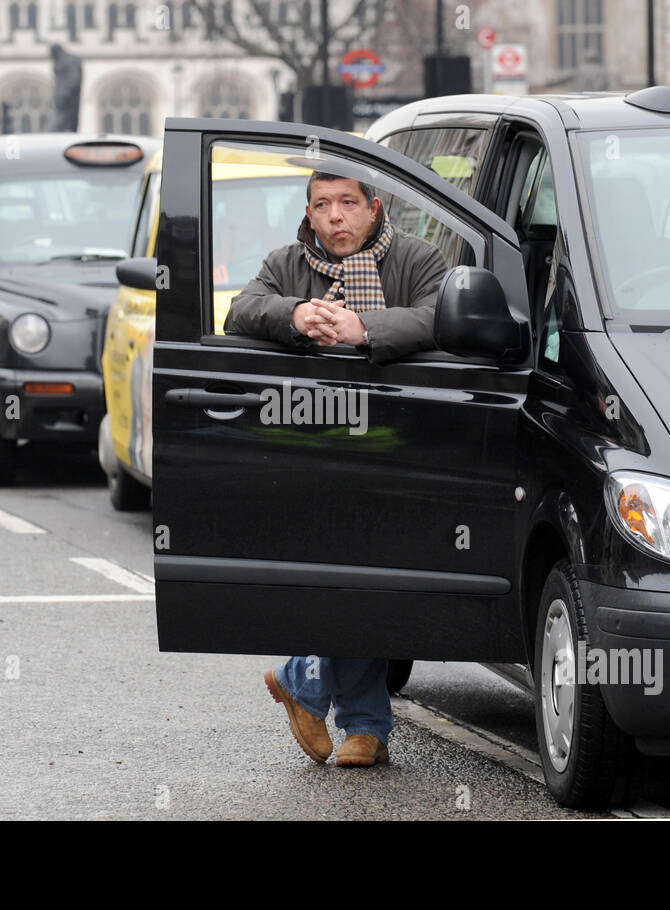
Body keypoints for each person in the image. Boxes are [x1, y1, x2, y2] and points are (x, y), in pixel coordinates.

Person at [226, 171, 448, 766]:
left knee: (382, 570)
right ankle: (366, 726)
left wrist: (365, 327)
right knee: (343, 570)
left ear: (373, 209)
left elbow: (441, 317)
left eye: (348, 203)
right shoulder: (285, 261)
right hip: (315, 438)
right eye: (322, 205)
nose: (336, 217)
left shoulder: (419, 257)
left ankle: (304, 680)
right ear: (308, 212)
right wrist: (296, 315)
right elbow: (241, 312)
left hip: (398, 440)